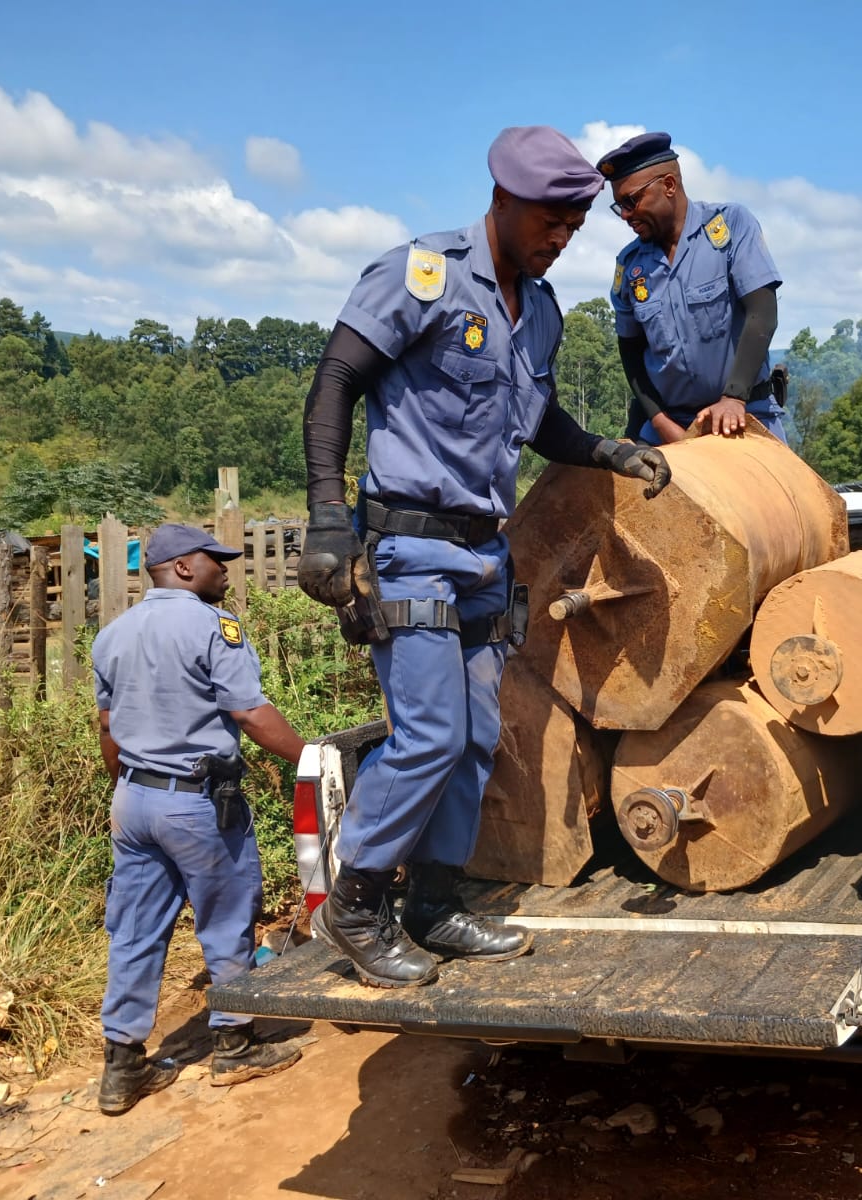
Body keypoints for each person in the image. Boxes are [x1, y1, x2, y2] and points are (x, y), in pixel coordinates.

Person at [297, 127, 671, 989]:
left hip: (482, 558)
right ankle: (355, 906)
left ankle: (434, 903)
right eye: (551, 222)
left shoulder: (539, 311)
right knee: (427, 735)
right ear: (503, 201)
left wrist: (606, 452)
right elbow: (335, 383)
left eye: (575, 229)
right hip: (411, 549)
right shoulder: (420, 275)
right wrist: (327, 516)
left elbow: (535, 420)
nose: (561, 240)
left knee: (471, 741)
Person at [91, 524, 307, 1116]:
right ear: (183, 568)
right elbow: (249, 711)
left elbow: (108, 730)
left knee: (134, 928)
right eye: (216, 561)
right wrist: (313, 756)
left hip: (133, 802)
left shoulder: (111, 636)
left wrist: (130, 790)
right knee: (227, 913)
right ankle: (234, 1045)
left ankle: (122, 1067)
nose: (226, 569)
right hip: (198, 801)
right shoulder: (216, 628)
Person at [596, 131, 786, 445]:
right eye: (619, 207)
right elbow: (630, 350)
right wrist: (659, 420)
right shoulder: (630, 266)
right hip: (670, 425)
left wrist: (734, 397)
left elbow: (762, 313)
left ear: (669, 185)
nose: (626, 215)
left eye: (631, 201)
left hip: (743, 413)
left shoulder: (730, 227)